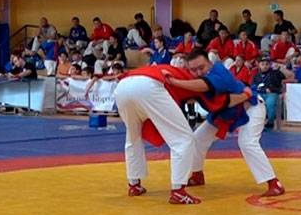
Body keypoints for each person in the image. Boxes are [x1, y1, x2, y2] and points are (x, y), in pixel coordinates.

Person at [115, 63, 251, 204]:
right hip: (149, 86)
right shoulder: (198, 82)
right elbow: (220, 102)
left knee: (133, 138)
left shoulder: (177, 71)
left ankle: (134, 185)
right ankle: (178, 191)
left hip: (123, 86)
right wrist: (246, 95)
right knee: (183, 139)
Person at [165, 50, 285, 196]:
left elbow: (224, 98)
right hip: (225, 113)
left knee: (247, 142)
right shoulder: (197, 79)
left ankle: (274, 183)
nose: (198, 72)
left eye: (201, 68)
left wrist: (174, 81)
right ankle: (197, 175)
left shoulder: (219, 71)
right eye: (193, 70)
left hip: (250, 107)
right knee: (198, 139)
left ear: (210, 63)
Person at [252, 57, 286, 130]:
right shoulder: (256, 76)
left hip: (272, 93)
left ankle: (270, 123)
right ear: (259, 65)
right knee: (254, 102)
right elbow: (253, 87)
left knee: (270, 103)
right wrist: (261, 90)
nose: (265, 66)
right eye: (263, 64)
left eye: (267, 64)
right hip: (260, 94)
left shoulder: (275, 73)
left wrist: (278, 70)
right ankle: (257, 123)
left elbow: (281, 81)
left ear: (270, 65)